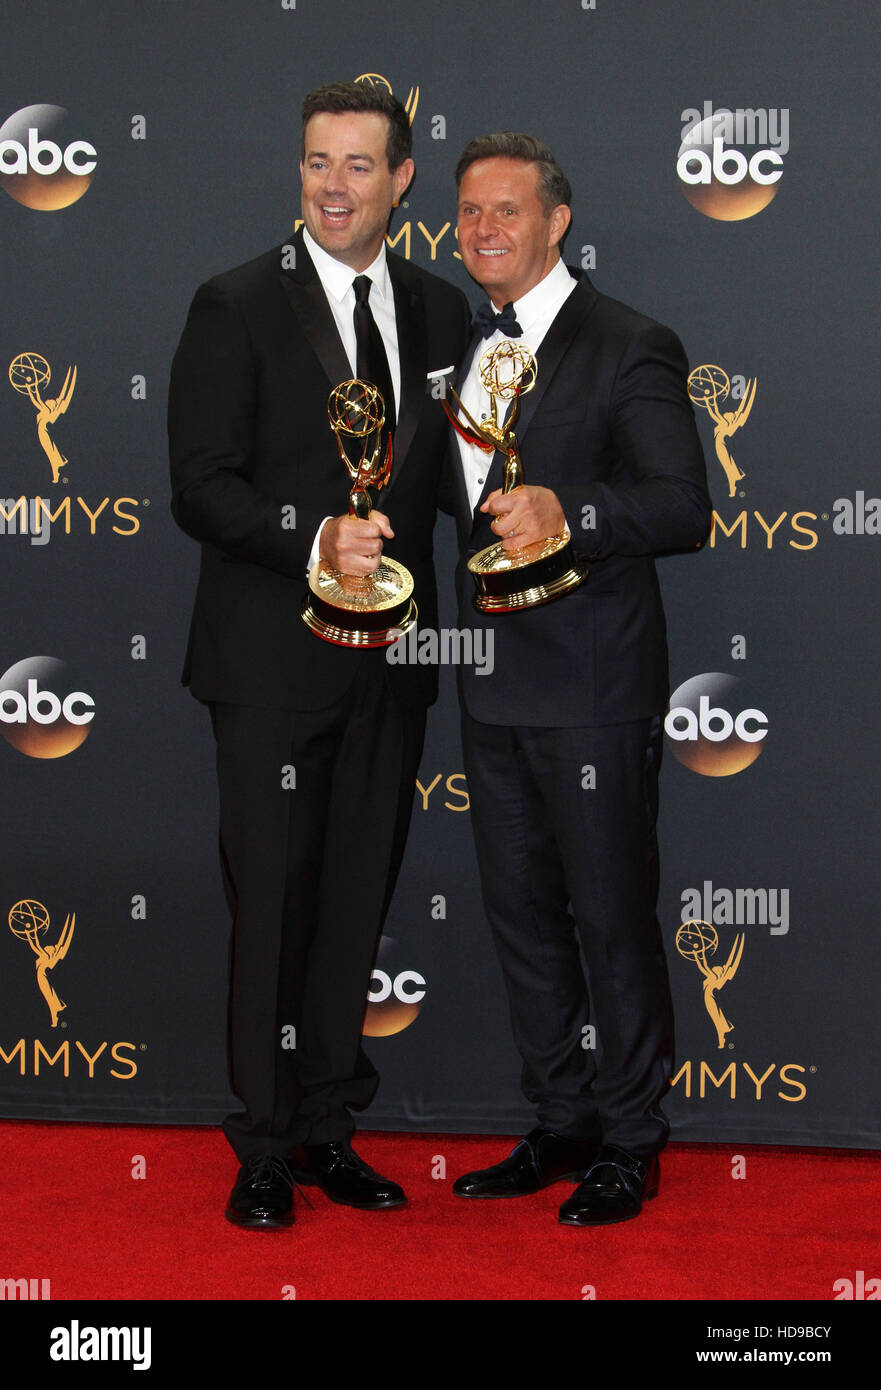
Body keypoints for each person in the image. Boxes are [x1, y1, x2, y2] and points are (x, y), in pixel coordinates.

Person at [168, 81, 470, 1229]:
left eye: (357, 166)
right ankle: (259, 1142)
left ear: (400, 182)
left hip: (388, 661)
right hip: (267, 664)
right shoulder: (234, 303)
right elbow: (200, 486)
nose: (332, 186)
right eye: (314, 163)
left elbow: (452, 473)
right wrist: (312, 537)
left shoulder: (440, 312)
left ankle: (329, 1127)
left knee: (354, 901)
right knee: (273, 905)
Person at [445, 133, 711, 1225]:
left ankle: (631, 1136)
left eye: (507, 210)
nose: (484, 230)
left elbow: (681, 507)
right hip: (490, 683)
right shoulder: (461, 350)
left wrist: (575, 511)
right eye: (466, 213)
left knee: (608, 916)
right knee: (520, 916)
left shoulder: (630, 342)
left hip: (594, 685)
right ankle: (558, 1121)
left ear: (558, 222)